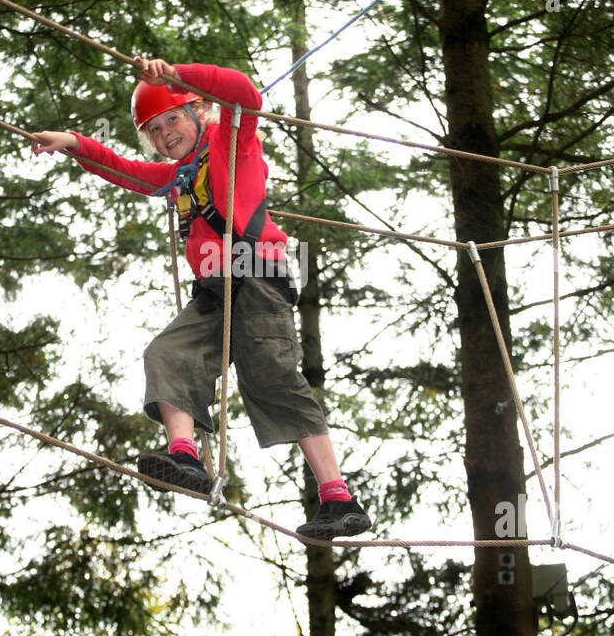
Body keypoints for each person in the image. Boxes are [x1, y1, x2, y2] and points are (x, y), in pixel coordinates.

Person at [31, 57, 372, 542]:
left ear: (200, 112)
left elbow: (243, 93)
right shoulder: (176, 177)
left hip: (255, 275)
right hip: (214, 291)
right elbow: (124, 171)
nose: (166, 132)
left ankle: (339, 497)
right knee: (167, 354)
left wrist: (176, 75)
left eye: (173, 117)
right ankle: (185, 456)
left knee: (271, 375)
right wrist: (73, 145)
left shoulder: (233, 142)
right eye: (154, 128)